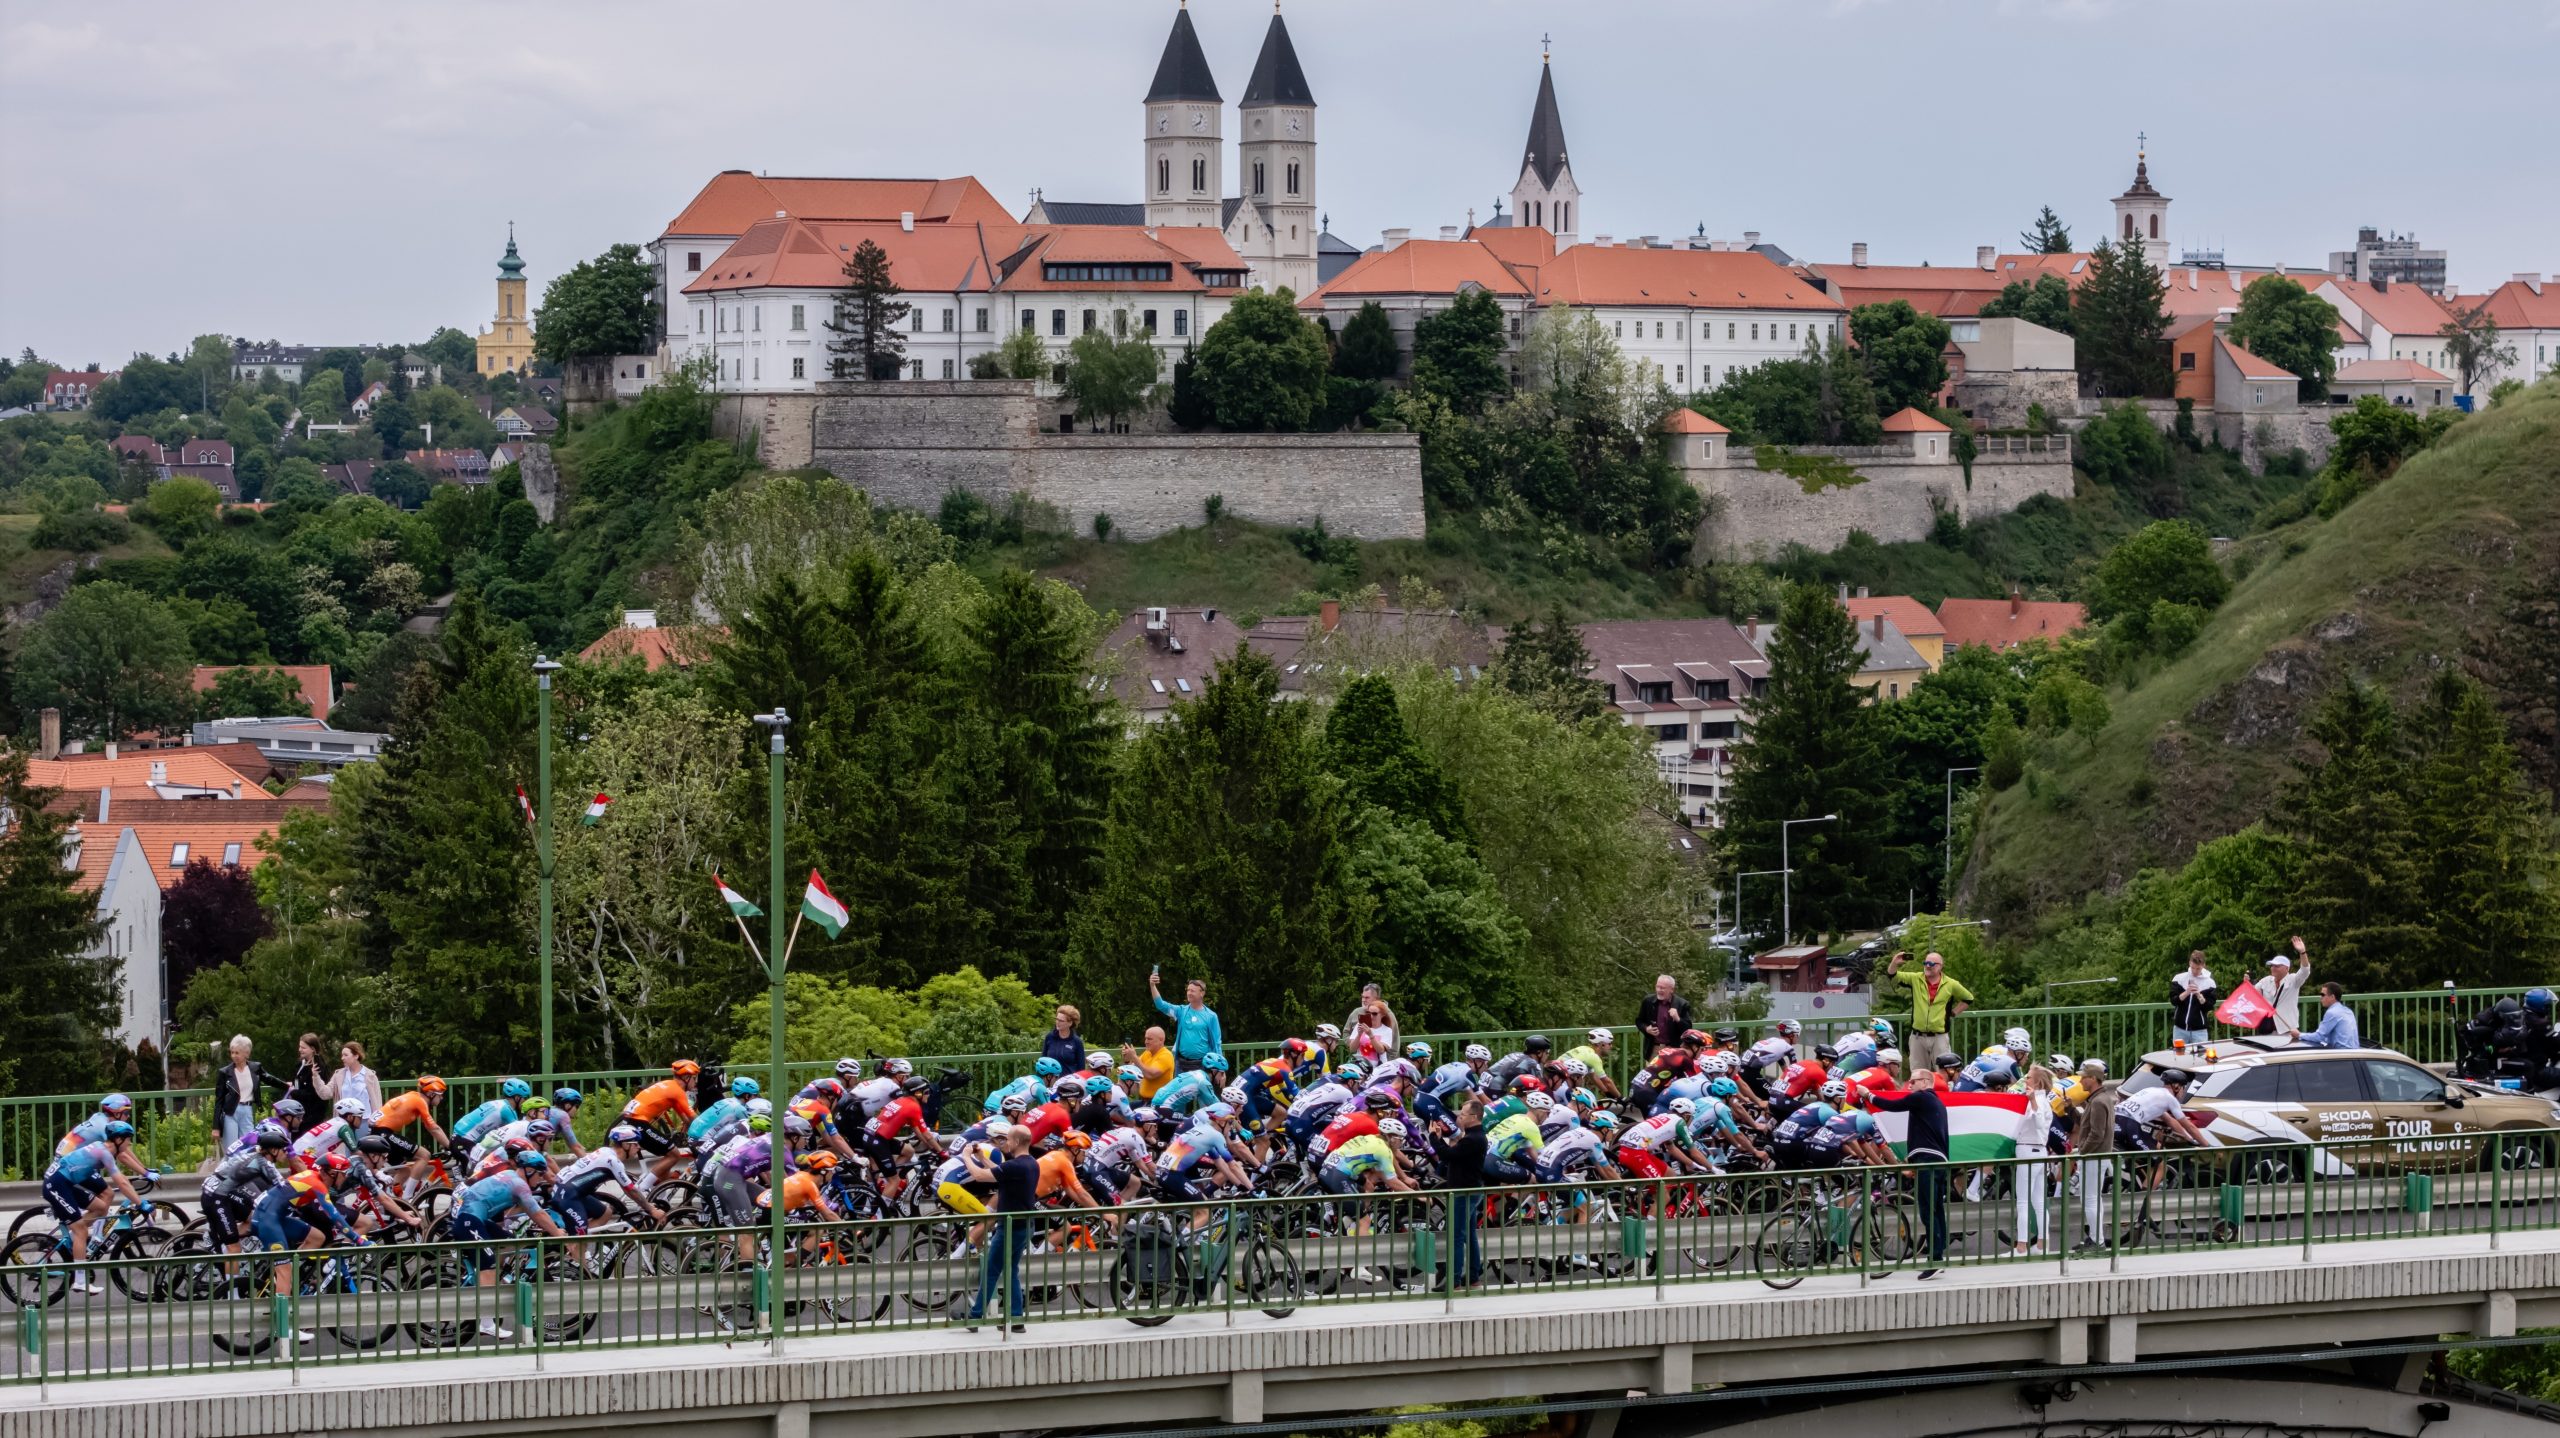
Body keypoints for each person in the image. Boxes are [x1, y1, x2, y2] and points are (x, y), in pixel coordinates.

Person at [1867, 1065, 1951, 1280]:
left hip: (1929, 1162)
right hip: (1937, 1161)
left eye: (1913, 1081)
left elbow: (1892, 1105)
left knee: (1927, 1210)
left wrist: (1867, 1095)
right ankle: (1939, 1255)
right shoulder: (1936, 1103)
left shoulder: (1922, 1097)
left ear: (1925, 1082)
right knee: (1936, 1209)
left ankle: (1936, 1259)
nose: (1909, 1085)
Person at [967, 1125, 1039, 1333]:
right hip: (1023, 1226)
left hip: (1010, 1227)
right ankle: (1016, 1319)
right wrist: (981, 1157)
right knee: (1010, 1271)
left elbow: (981, 1176)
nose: (1005, 1143)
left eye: (1007, 1139)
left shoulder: (1015, 1166)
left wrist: (966, 1157)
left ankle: (975, 1317)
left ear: (1016, 1142)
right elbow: (998, 1173)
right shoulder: (1030, 1164)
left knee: (991, 1271)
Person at [1888, 950, 1973, 1075]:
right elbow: (1893, 975)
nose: (1928, 966)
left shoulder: (1951, 984)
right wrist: (1894, 962)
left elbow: (1968, 998)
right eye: (1926, 962)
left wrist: (1954, 1012)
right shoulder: (1915, 978)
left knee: (1944, 1072)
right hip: (1917, 1037)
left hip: (1939, 1037)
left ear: (1940, 966)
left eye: (1932, 964)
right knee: (1918, 1074)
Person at [210, 1035, 288, 1160]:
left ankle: (244, 1176)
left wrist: (285, 1085)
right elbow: (218, 1100)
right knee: (231, 1149)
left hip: (247, 1110)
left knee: (249, 1147)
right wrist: (216, 1127)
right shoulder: (225, 1072)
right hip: (230, 1113)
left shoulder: (255, 1068)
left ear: (246, 1053)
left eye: (237, 1053)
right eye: (232, 1052)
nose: (234, 1056)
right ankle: (227, 1175)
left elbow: (269, 1078)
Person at [2068, 1060, 2118, 1252]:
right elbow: (2088, 1125)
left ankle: (2097, 1241)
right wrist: (2071, 1110)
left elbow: (2097, 1133)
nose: (2080, 1080)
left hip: (2094, 1157)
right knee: (2092, 1198)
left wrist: (2082, 1151)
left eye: (2083, 1077)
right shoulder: (2100, 1099)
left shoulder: (2098, 1101)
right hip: (2097, 1156)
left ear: (2093, 1079)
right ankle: (2097, 1239)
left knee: (2089, 1199)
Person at [2010, 1065, 2056, 1255]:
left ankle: (2021, 1246)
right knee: (2038, 1200)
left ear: (2037, 1082)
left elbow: (2038, 1123)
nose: (2025, 1080)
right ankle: (2041, 1244)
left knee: (2023, 1201)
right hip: (2039, 1152)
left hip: (2028, 1150)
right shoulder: (2045, 1101)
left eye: (2028, 1078)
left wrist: (2032, 1103)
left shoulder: (2036, 1101)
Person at [1443, 1099, 1488, 1289]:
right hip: (1469, 1189)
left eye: (1462, 1115)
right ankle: (1473, 1276)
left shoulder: (1473, 1139)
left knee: (1456, 1237)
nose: (1459, 1117)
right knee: (1469, 1235)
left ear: (1474, 1117)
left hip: (1464, 1192)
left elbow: (1449, 1155)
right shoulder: (1471, 1136)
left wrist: (1433, 1138)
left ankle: (1454, 1281)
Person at [1149, 972, 1225, 1073]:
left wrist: (1220, 1070)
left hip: (1202, 1065)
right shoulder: (1181, 1011)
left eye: (1192, 991)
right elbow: (1161, 1005)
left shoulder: (1211, 1016)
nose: (1189, 993)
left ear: (1202, 993)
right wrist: (1152, 985)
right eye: (1188, 990)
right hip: (1181, 1064)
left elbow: (1217, 1043)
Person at [2252, 937, 2311, 1036]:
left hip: (2287, 1029)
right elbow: (2253, 992)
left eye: (2277, 966)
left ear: (2286, 968)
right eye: (2272, 966)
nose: (2273, 968)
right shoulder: (2266, 980)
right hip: (2267, 1029)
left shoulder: (2293, 980)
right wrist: (2247, 982)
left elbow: (2305, 970)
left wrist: (2302, 952)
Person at [1636, 975, 1694, 1056]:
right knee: (1652, 1069)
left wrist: (1678, 1019)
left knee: (1673, 1069)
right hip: (1654, 1049)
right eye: (1657, 987)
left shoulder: (1682, 1004)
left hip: (1674, 1049)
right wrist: (1646, 1029)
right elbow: (1639, 1021)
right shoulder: (1648, 1001)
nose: (1659, 990)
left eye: (1663, 988)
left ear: (1671, 990)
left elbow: (1688, 1029)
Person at [2169, 952, 2217, 1048]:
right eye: (2193, 968)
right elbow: (2173, 1001)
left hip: (2199, 1031)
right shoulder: (2179, 978)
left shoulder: (2210, 983)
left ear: (2203, 965)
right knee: (2179, 1059)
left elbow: (2209, 1006)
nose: (2195, 971)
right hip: (2180, 1029)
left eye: (2198, 968)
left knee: (2200, 1060)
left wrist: (2199, 995)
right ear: (2190, 963)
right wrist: (2187, 992)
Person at [287, 1033, 333, 1133]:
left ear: (313, 1049)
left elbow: (314, 1094)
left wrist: (293, 1092)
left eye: (303, 1047)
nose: (300, 1050)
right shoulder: (300, 1064)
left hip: (312, 1115)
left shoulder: (318, 1067)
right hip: (300, 1113)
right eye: (299, 1047)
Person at [2294, 983, 2362, 1050]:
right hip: (2355, 1054)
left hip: (2342, 1056)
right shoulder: (2348, 1011)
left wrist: (2299, 1034)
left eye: (2323, 995)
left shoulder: (2332, 1012)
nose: (2321, 998)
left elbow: (2319, 1037)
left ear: (2332, 997)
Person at [1344, 983, 1398, 1064]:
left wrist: (1391, 1062)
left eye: (1367, 997)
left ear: (1376, 999)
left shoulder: (1388, 1017)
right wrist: (1357, 1037)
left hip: (1381, 1065)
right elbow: (1346, 1033)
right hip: (1360, 1065)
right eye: (1362, 997)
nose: (1363, 1000)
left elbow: (1394, 1043)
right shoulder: (1357, 1013)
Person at [329, 1041, 382, 1123]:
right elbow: (325, 1093)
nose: (342, 1058)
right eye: (342, 1055)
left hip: (364, 1119)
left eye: (346, 1055)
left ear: (356, 1056)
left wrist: (376, 1121)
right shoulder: (339, 1074)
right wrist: (316, 1077)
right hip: (343, 1120)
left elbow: (377, 1101)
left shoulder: (370, 1075)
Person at [1121, 1027, 1177, 1101]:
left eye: (1149, 1039)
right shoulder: (1147, 1053)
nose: (1146, 1042)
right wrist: (1127, 1060)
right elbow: (1133, 1070)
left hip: (1158, 1102)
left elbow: (1150, 1075)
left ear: (1161, 1040)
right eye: (1146, 1038)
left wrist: (1134, 1057)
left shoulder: (1166, 1055)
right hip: (1144, 1100)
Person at [1041, 1005, 1086, 1072]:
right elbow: (1043, 1061)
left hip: (1069, 1081)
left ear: (1070, 1023)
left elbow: (1081, 1068)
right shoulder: (1049, 1037)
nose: (1057, 1022)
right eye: (1057, 1019)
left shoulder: (1077, 1042)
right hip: (1051, 1081)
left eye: (1061, 1021)